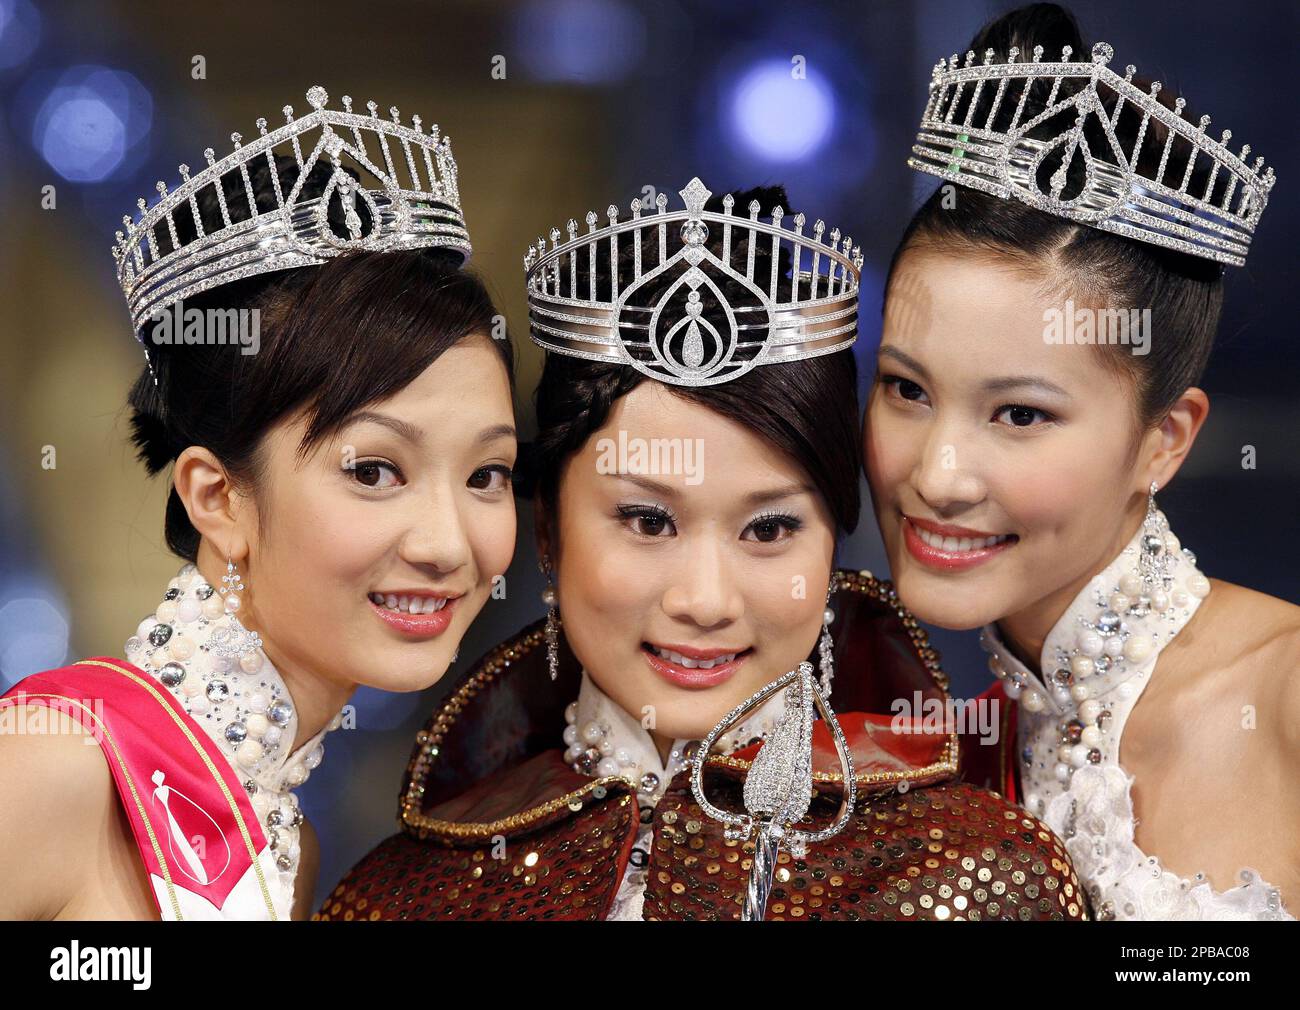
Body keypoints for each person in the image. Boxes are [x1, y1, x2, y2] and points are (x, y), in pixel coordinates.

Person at [319, 178, 1087, 921]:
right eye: (649, 523)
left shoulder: (975, 875)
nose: (706, 601)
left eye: (769, 530)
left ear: (832, 543)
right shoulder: (406, 895)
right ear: (548, 530)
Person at [0, 86, 518, 920]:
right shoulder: (53, 764)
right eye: (375, 470)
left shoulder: (287, 838)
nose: (449, 544)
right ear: (217, 497)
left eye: (487, 474)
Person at [866, 4, 1296, 919]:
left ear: (1164, 441)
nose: (937, 475)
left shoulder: (1286, 690)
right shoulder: (933, 749)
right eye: (907, 390)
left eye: (1019, 413)